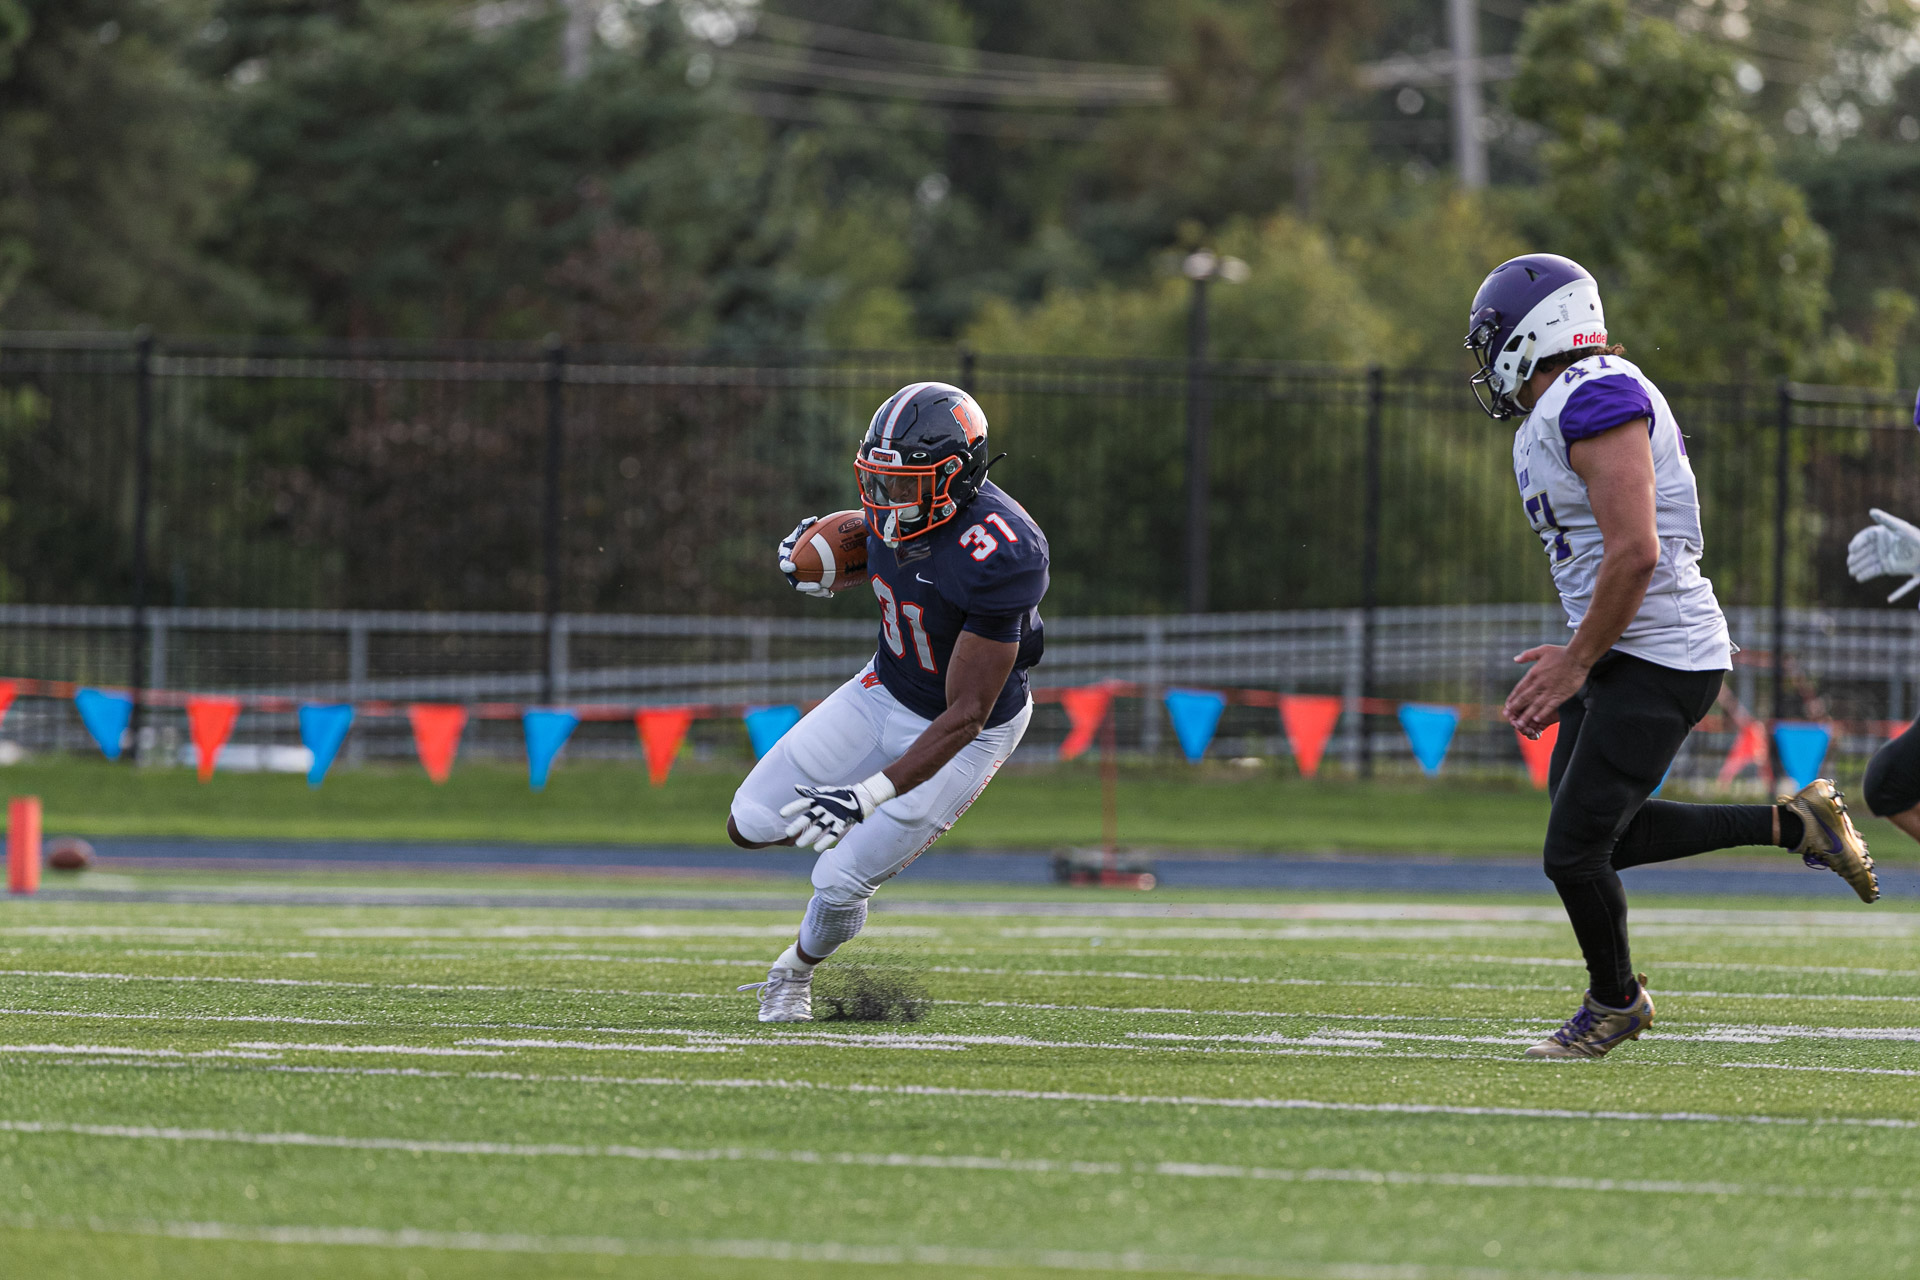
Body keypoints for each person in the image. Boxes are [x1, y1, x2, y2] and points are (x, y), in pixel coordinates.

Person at [1465, 253, 1879, 1060]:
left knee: (1573, 850)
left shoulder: (1598, 396)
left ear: (1536, 329)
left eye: (1493, 339)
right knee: (1595, 837)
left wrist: (1578, 661)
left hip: (1658, 655)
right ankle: (1796, 824)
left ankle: (1614, 1003)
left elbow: (1637, 554)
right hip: (1625, 645)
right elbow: (1610, 561)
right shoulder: (1567, 406)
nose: (1488, 360)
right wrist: (1582, 645)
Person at [727, 382, 1048, 1022]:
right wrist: (819, 564)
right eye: (876, 482)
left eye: (903, 486)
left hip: (967, 729)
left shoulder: (1001, 552)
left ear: (955, 477)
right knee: (751, 822)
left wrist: (864, 796)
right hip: (884, 689)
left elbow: (966, 714)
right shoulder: (895, 509)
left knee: (840, 880)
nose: (883, 502)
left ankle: (791, 974)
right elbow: (882, 553)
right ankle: (832, 835)